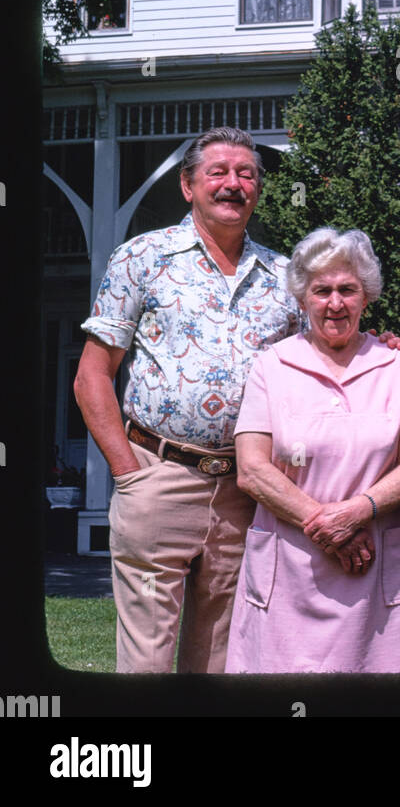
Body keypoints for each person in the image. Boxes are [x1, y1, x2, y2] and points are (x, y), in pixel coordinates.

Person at [74, 127, 302, 674]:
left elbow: (322, 358)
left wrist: (382, 345)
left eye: (246, 174)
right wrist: (130, 475)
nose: (233, 184)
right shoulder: (143, 257)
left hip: (245, 493)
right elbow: (91, 376)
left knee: (222, 660)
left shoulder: (286, 276)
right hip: (158, 477)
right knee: (147, 663)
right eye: (218, 173)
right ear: (188, 186)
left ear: (258, 190)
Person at [225, 228, 400, 673]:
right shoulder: (271, 366)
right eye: (322, 291)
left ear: (366, 296)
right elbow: (252, 470)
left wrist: (356, 514)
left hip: (372, 568)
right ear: (302, 298)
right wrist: (328, 527)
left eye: (347, 290)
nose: (335, 303)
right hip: (289, 569)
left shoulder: (399, 365)